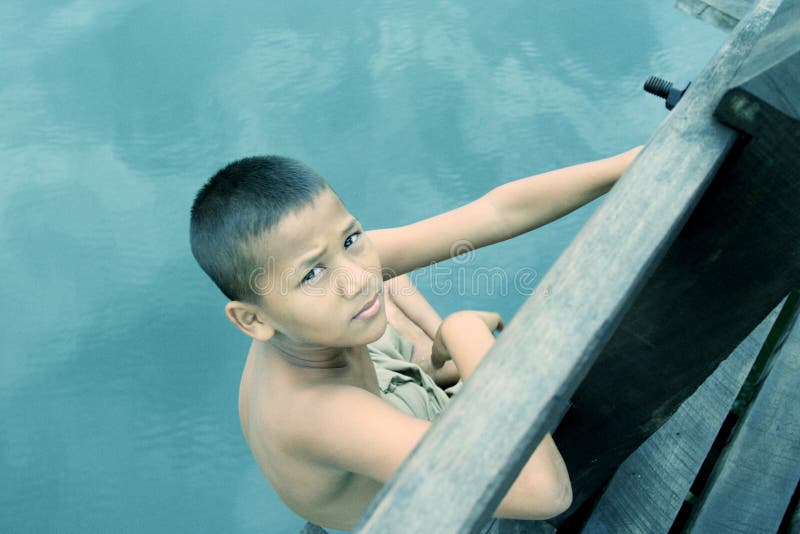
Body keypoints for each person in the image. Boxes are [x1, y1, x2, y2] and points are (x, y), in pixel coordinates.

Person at [189, 148, 641, 530]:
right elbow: (546, 492)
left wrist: (628, 164)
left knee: (384, 280)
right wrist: (463, 334)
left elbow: (495, 212)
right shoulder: (317, 413)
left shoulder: (295, 299)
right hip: (420, 514)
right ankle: (443, 354)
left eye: (350, 238)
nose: (355, 278)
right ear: (251, 320)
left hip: (373, 390)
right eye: (312, 273)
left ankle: (432, 355)